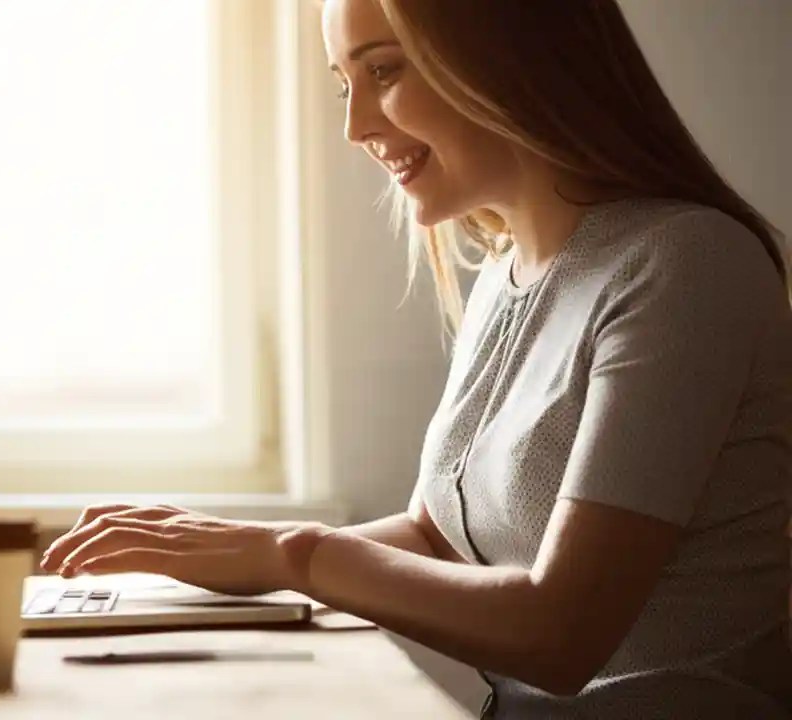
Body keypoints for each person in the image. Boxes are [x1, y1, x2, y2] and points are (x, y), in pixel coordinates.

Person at [39, 0, 792, 716]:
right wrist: (212, 560)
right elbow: (439, 538)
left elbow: (561, 635)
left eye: (384, 72)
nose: (355, 125)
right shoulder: (502, 276)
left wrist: (289, 555)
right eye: (343, 83)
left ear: (502, 56)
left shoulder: (685, 265)